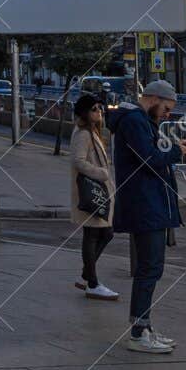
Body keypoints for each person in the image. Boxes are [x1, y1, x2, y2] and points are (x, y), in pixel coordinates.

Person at [108, 79, 186, 352]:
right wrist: (177, 152)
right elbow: (149, 158)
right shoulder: (134, 121)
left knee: (152, 269)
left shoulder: (142, 121)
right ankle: (139, 332)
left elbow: (152, 154)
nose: (167, 115)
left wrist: (174, 148)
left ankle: (144, 326)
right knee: (149, 269)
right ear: (154, 99)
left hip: (150, 204)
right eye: (166, 109)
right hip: (146, 205)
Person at [69, 93, 116, 298]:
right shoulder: (83, 134)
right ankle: (92, 283)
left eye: (100, 108)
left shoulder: (91, 131)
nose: (99, 111)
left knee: (102, 233)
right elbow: (78, 161)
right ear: (85, 113)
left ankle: (86, 276)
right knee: (95, 234)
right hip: (90, 191)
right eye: (95, 108)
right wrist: (102, 173)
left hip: (95, 190)